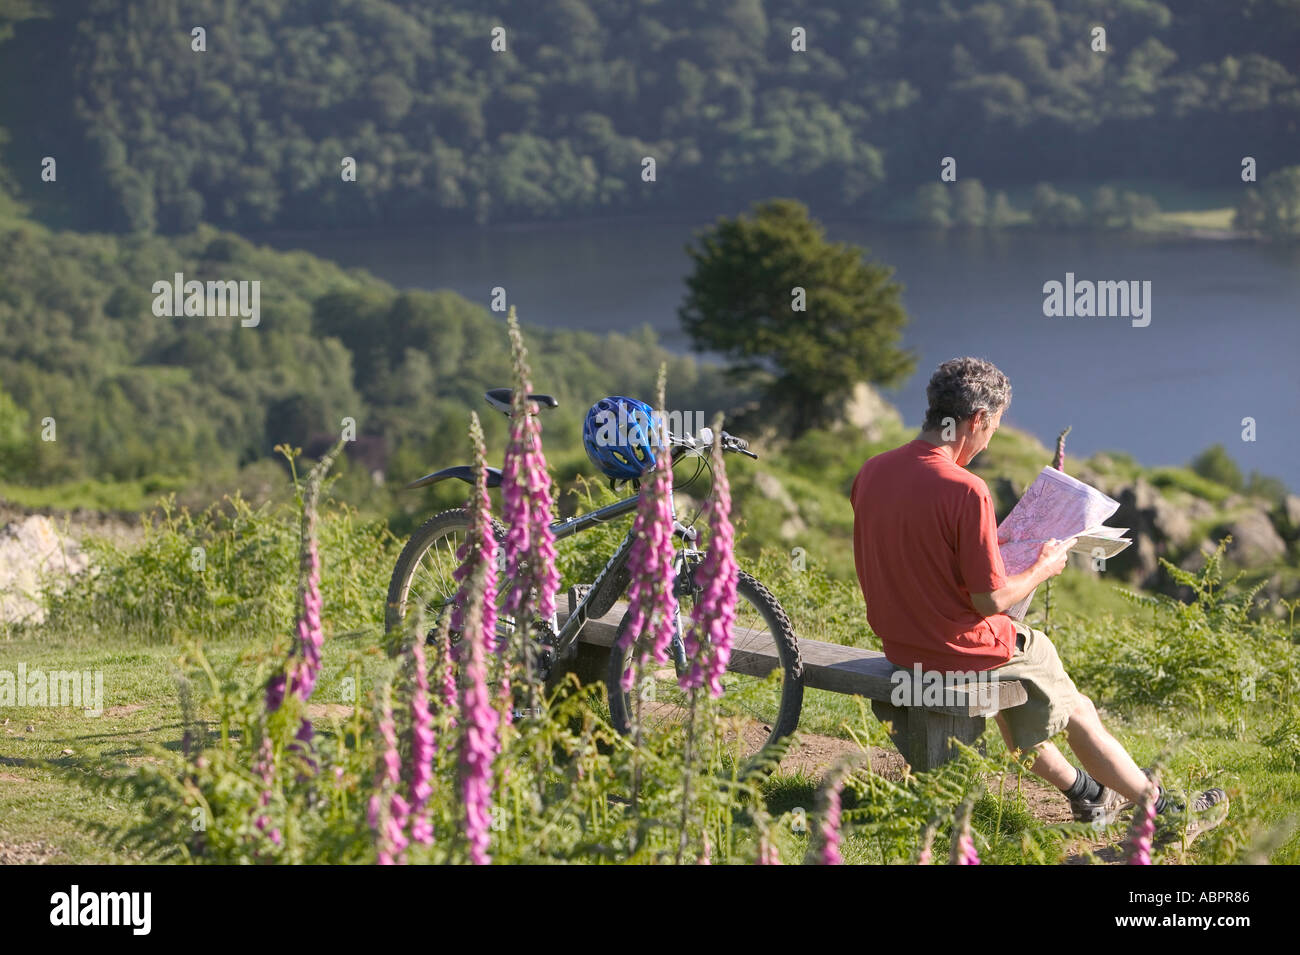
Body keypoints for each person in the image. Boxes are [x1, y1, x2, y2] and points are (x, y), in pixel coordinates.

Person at [849, 356, 1227, 840]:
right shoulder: (967, 490)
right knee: (1074, 704)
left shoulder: (873, 471)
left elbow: (911, 556)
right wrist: (1043, 567)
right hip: (956, 649)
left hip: (901, 646)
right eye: (994, 427)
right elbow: (989, 601)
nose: (990, 441)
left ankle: (1088, 795)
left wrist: (987, 551)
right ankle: (1166, 811)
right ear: (978, 419)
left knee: (1020, 691)